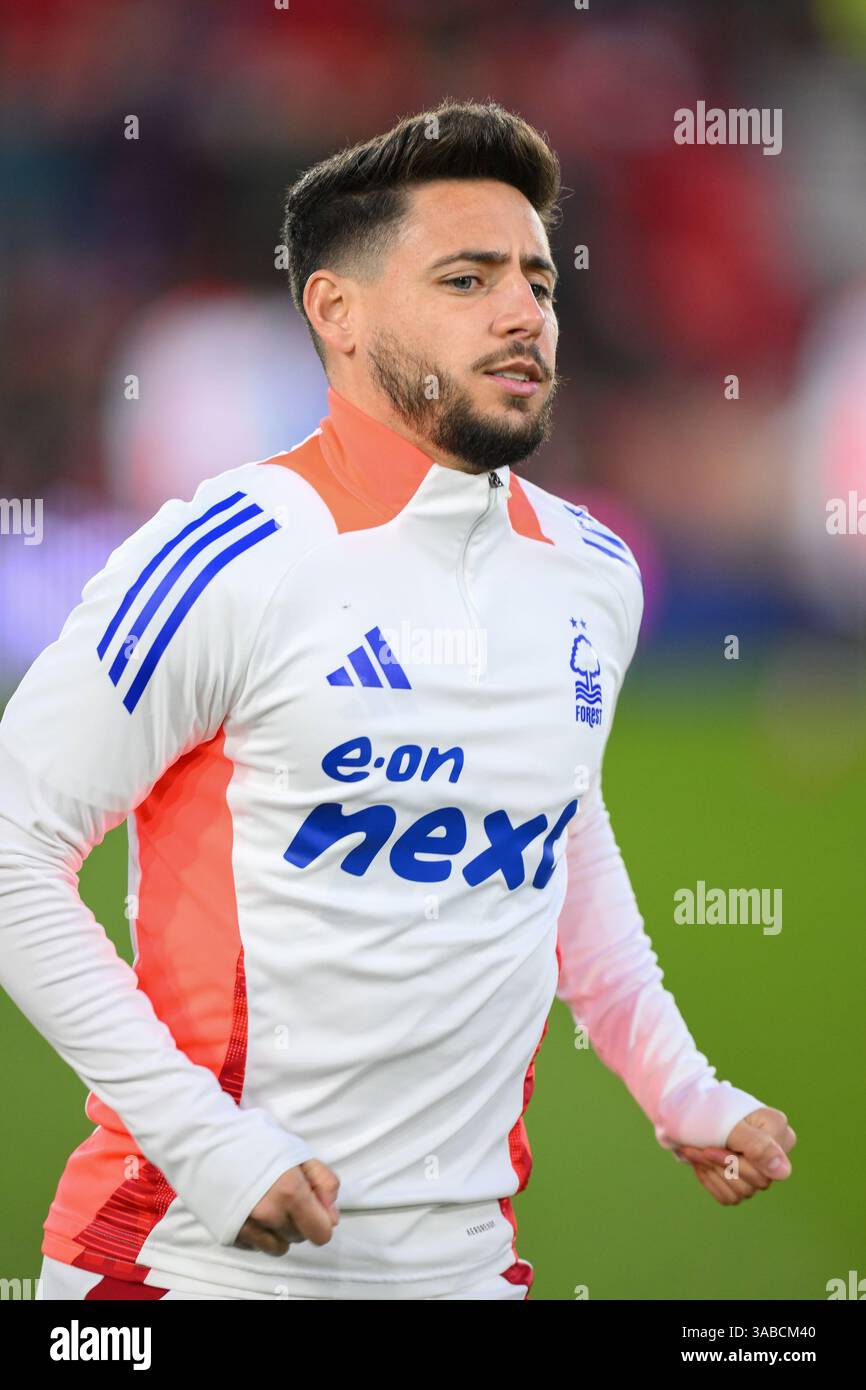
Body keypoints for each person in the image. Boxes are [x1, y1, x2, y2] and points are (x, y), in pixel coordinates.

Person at [0, 100, 795, 1303]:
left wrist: (676, 1081)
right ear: (338, 311)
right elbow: (15, 846)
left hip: (470, 1271)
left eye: (536, 278)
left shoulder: (591, 570)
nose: (524, 311)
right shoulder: (231, 556)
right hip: (184, 1270)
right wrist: (206, 1146)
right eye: (467, 278)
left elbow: (555, 819)